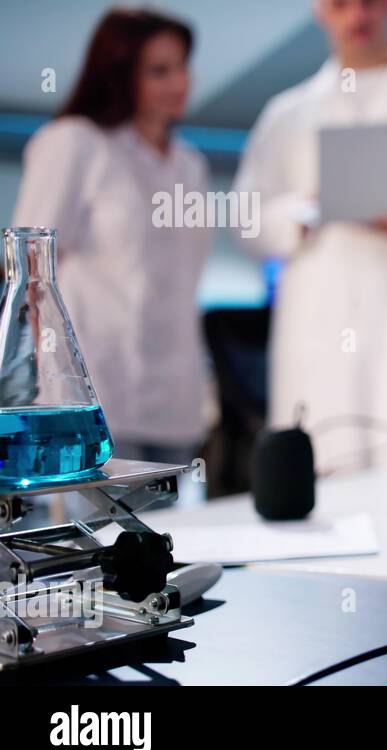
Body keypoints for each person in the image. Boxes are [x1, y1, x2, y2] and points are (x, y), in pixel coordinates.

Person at [233, 0, 387, 473]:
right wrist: (310, 204)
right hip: (321, 322)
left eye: (369, 2)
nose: (357, 17)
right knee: (329, 468)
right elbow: (247, 221)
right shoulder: (287, 114)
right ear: (319, 9)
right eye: (341, 4)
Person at [12, 8, 209, 465]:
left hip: (177, 398)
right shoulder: (77, 142)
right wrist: (40, 385)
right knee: (97, 533)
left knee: (169, 535)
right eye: (159, 70)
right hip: (99, 393)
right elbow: (28, 272)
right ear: (120, 75)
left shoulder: (191, 164)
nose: (179, 81)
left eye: (182, 66)